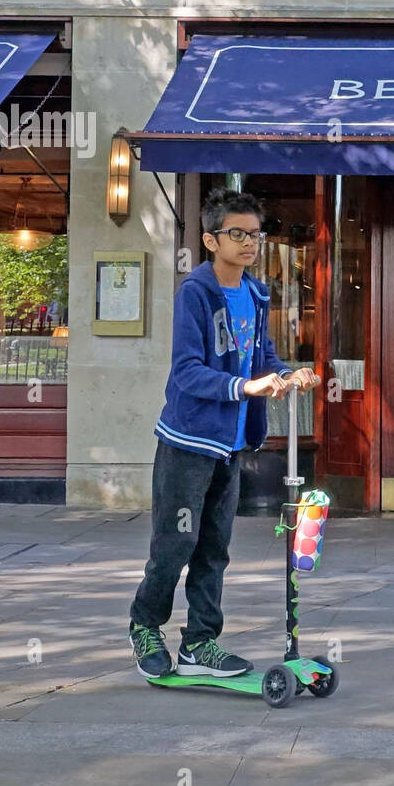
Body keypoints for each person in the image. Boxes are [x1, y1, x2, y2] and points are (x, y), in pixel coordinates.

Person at [128, 189, 318, 677]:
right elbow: (187, 371)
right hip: (188, 443)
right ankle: (145, 627)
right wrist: (244, 385)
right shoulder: (196, 291)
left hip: (231, 445)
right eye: (237, 234)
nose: (249, 242)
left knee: (215, 548)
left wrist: (288, 374)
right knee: (175, 544)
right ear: (211, 240)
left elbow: (263, 358)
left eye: (255, 233)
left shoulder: (255, 294)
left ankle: (199, 643)